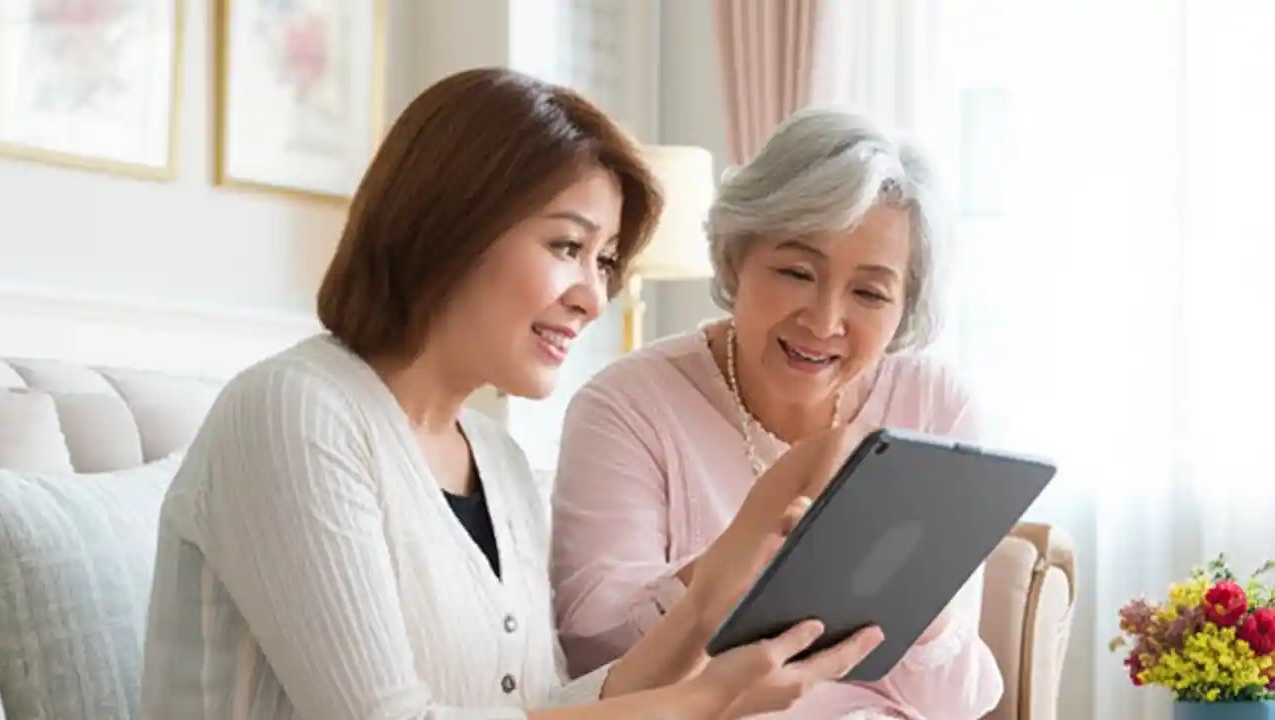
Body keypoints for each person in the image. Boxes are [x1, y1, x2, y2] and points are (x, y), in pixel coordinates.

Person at [138, 68, 886, 720]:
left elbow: (537, 709)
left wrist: (700, 610)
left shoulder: (498, 463)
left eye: (605, 261)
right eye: (567, 246)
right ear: (451, 224)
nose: (592, 297)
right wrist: (700, 701)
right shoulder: (295, 412)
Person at [550, 107, 1005, 719]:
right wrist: (740, 557)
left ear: (905, 308)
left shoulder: (935, 406)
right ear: (737, 257)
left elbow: (957, 704)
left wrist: (914, 594)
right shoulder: (626, 406)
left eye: (869, 292)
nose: (824, 321)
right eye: (796, 272)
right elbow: (594, 666)